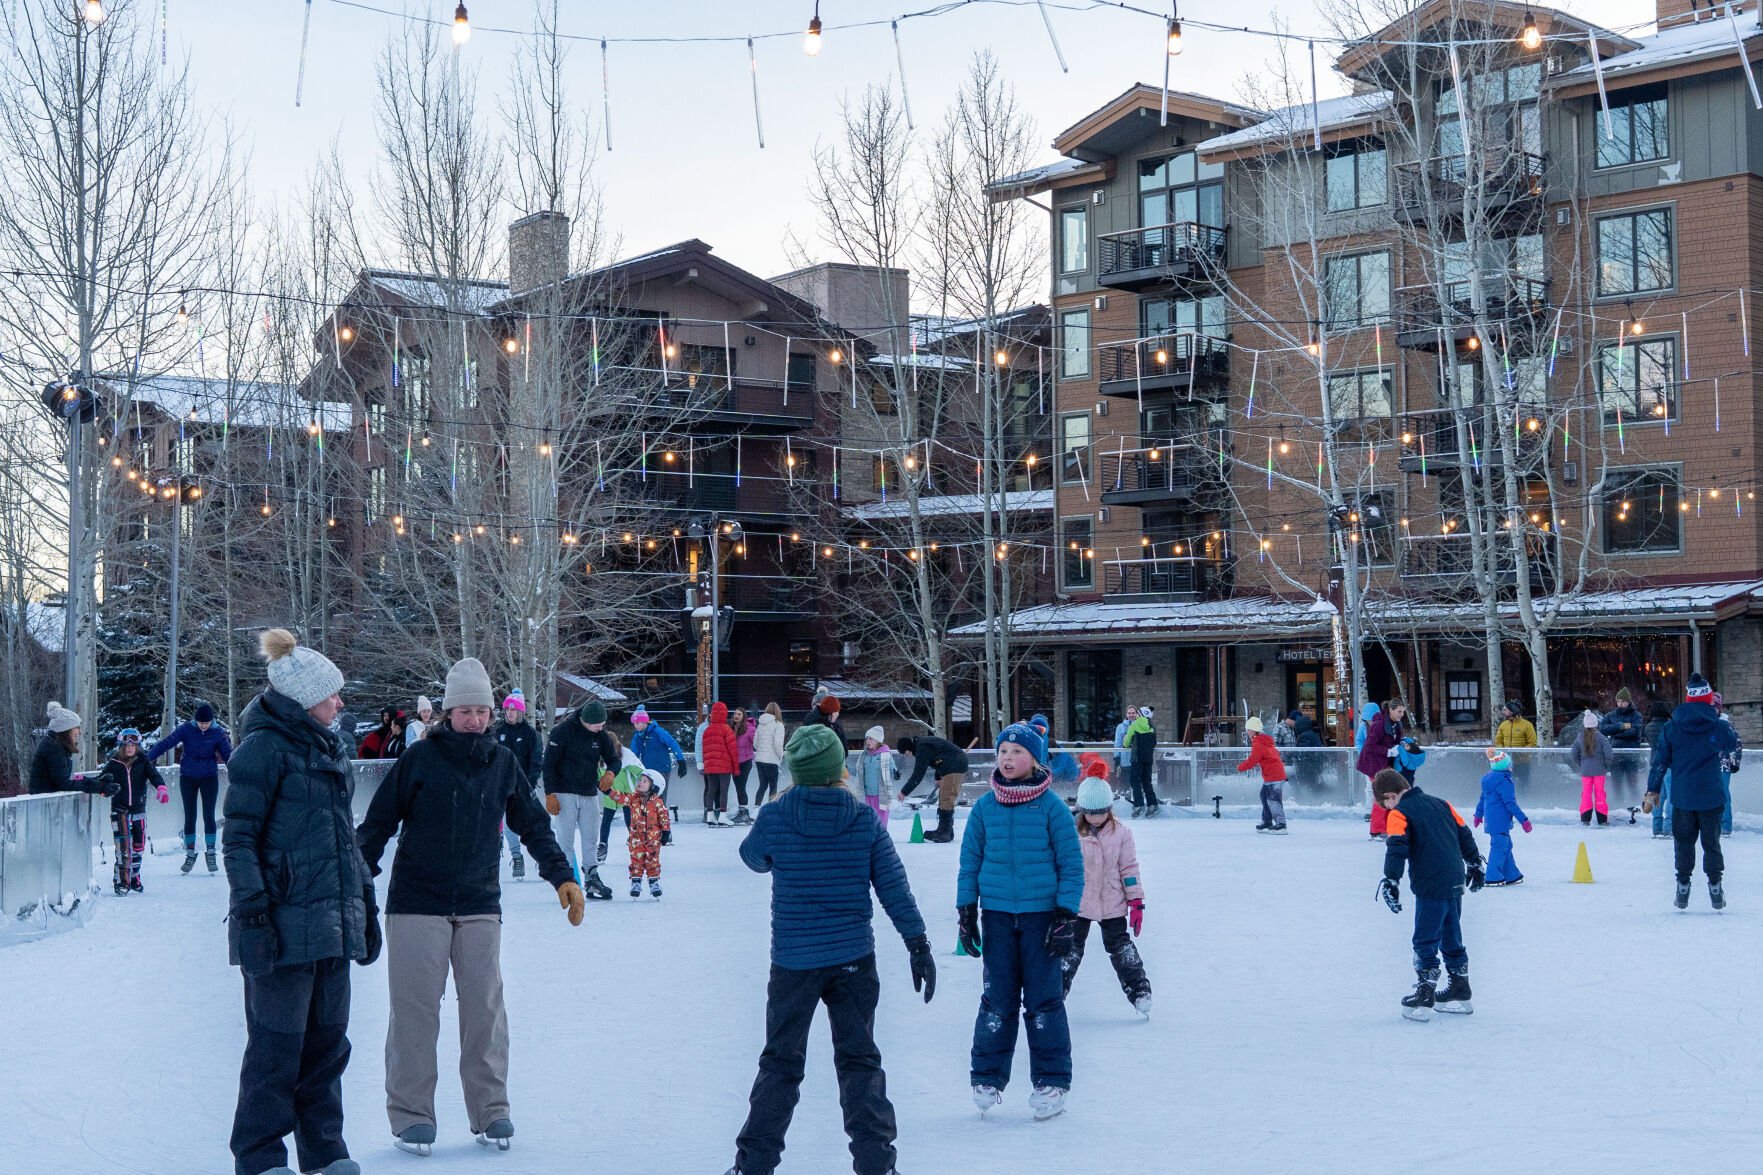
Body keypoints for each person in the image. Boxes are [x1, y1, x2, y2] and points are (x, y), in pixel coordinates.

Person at [357, 657, 585, 1157]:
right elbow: (376, 825)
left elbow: (533, 825)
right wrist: (354, 881)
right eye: (465, 711)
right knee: (415, 1012)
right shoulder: (418, 759)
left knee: (485, 1008)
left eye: (483, 711)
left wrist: (562, 877)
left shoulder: (502, 762)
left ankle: (491, 1111)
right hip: (418, 902)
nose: (476, 720)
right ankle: (412, 1116)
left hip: (480, 901)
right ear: (447, 712)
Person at [727, 723, 934, 1175]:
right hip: (852, 960)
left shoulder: (776, 815)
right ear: (839, 768)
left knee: (781, 1064)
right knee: (860, 1064)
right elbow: (894, 887)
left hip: (794, 962)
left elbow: (752, 858)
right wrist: (917, 942)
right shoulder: (861, 818)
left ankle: (754, 1166)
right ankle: (877, 1165)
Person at [223, 629, 373, 1175]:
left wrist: (365, 907)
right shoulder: (260, 751)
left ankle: (324, 1150)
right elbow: (238, 841)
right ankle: (261, 1158)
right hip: (282, 927)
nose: (340, 703)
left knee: (328, 1047)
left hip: (332, 925)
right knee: (275, 1051)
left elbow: (342, 838)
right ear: (303, 699)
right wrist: (254, 915)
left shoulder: (330, 748)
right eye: (332, 694)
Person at [957, 722, 1084, 1121]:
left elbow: (1072, 865)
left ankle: (1052, 1081)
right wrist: (966, 911)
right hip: (996, 916)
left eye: (1017, 752)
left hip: (1042, 918)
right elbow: (969, 863)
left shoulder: (1051, 808)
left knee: (1045, 1001)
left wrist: (1065, 914)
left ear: (1035, 758)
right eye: (1003, 751)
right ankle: (988, 1077)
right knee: (997, 999)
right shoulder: (984, 808)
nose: (1007, 759)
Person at [1372, 768, 1485, 1022]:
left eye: (1386, 803)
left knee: (1425, 937)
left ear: (1390, 796)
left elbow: (1397, 848)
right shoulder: (1442, 804)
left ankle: (1425, 992)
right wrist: (1475, 863)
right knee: (1450, 932)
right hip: (1455, 879)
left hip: (1430, 884)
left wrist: (1391, 879)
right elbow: (1464, 833)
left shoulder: (1399, 813)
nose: (1388, 808)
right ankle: (1459, 986)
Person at [1645, 673, 1739, 910]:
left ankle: (1683, 886)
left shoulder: (1671, 727)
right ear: (1708, 699)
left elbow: (1660, 761)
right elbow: (1732, 745)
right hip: (1711, 795)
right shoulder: (1718, 726)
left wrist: (1652, 790)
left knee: (1683, 843)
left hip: (1683, 797)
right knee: (1712, 844)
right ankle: (1715, 887)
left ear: (1688, 699)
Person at [1065, 774, 1150, 1017]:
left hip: (1112, 902)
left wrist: (1135, 901)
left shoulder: (1121, 833)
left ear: (1109, 809)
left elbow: (1129, 869)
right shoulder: (1071, 833)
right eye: (1090, 812)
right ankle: (1054, 993)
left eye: (1101, 811)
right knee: (1069, 949)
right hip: (1078, 903)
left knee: (1121, 948)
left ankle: (1139, 991)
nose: (1095, 817)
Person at [541, 700, 619, 900]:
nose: (600, 728)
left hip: (589, 792)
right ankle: (566, 882)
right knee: (565, 840)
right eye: (597, 724)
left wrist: (610, 772)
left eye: (602, 724)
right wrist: (550, 794)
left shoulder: (600, 736)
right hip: (564, 793)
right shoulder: (562, 732)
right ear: (586, 720)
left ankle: (592, 878)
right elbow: (548, 764)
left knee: (591, 838)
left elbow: (614, 758)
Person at [147, 702, 233, 875]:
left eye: (206, 723)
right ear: (196, 721)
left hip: (209, 777)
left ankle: (210, 853)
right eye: (201, 723)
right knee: (190, 815)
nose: (203, 726)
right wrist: (147, 758)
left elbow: (228, 754)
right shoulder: (186, 729)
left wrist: (238, 770)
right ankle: (190, 853)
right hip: (188, 777)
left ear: (211, 721)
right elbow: (166, 743)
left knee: (209, 815)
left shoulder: (218, 733)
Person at [99, 728, 169, 895]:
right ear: (121, 746)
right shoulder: (114, 764)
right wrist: (102, 788)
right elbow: (101, 781)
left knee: (138, 847)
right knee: (123, 848)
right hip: (119, 810)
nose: (130, 748)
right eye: (126, 745)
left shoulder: (143, 761)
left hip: (138, 810)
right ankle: (121, 882)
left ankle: (134, 877)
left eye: (133, 745)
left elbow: (154, 776)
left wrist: (161, 788)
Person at [491, 690, 543, 880]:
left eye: (513, 710)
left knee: (533, 820)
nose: (510, 713)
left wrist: (530, 782)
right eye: (507, 710)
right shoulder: (498, 731)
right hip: (503, 784)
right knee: (509, 821)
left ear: (520, 712)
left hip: (525, 784)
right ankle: (516, 856)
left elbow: (536, 760)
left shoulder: (530, 734)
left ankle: (541, 855)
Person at [604, 768, 670, 899]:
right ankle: (636, 883)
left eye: (644, 781)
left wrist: (666, 831)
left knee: (653, 860)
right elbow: (620, 798)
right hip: (636, 838)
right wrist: (608, 791)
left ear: (654, 786)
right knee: (636, 861)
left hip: (653, 840)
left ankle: (654, 882)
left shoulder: (657, 802)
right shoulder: (633, 798)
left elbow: (664, 817)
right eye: (640, 780)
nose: (640, 782)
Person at [894, 732, 970, 844]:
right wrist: (938, 777)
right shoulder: (921, 744)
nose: (907, 756)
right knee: (944, 796)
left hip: (955, 765)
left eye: (905, 753)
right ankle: (945, 830)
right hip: (950, 764)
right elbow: (938, 758)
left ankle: (944, 832)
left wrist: (904, 792)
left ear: (908, 749)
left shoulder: (921, 747)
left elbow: (918, 773)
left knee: (946, 798)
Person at [1472, 747, 1531, 887]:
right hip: (1500, 821)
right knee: (1499, 847)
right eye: (1510, 764)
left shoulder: (1489, 780)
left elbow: (1483, 799)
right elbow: (1510, 803)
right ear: (1505, 766)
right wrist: (1524, 820)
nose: (1512, 767)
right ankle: (1492, 877)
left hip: (1494, 821)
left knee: (1506, 845)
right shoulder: (1504, 781)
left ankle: (1511, 875)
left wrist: (1478, 814)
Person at [28, 701, 107, 796]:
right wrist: (99, 787)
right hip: (44, 806)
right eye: (77, 727)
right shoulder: (54, 747)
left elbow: (70, 778)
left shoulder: (56, 745)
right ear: (66, 729)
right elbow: (64, 784)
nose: (79, 732)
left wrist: (96, 781)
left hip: (48, 805)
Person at [1356, 701, 1406, 839]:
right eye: (1399, 711)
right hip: (1374, 765)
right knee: (1382, 796)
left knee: (1391, 795)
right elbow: (1369, 746)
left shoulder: (1396, 724)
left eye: (1403, 712)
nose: (1401, 715)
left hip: (1386, 765)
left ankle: (1388, 827)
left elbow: (1395, 741)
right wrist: (1388, 752)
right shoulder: (1379, 725)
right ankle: (1377, 830)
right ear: (1390, 710)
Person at [596, 735, 643, 865]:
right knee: (606, 822)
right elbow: (596, 777)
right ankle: (602, 847)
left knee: (630, 822)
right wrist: (606, 790)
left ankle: (637, 848)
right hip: (610, 794)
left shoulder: (626, 755)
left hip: (628, 793)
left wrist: (643, 788)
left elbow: (641, 772)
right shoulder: (599, 758)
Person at [1237, 715, 1287, 834]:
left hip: (1274, 776)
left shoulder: (1259, 744)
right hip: (1273, 774)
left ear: (1254, 730)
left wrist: (1240, 767)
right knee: (1264, 796)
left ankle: (1281, 824)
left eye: (1248, 729)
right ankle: (1267, 821)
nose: (1247, 732)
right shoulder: (1264, 741)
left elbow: (1253, 760)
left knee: (1273, 799)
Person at [1570, 709, 1614, 827]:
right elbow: (1608, 753)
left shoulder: (1580, 737)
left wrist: (1581, 764)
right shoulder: (1601, 737)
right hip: (1600, 771)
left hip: (1585, 771)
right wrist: (1606, 765)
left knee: (1586, 794)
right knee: (1600, 794)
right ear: (1596, 724)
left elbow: (1574, 753)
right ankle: (1602, 819)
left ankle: (1585, 818)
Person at [700, 701, 740, 826]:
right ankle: (723, 816)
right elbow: (733, 750)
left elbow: (704, 750)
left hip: (710, 766)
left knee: (711, 790)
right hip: (724, 766)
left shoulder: (707, 730)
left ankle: (710, 816)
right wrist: (736, 768)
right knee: (723, 790)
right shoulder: (727, 730)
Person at [629, 704, 686, 782]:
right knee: (648, 794)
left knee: (660, 793)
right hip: (647, 771)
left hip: (662, 769)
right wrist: (631, 768)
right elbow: (633, 755)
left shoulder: (657, 731)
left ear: (645, 721)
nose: (636, 725)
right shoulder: (637, 737)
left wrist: (680, 760)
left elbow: (672, 743)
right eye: (634, 723)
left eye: (638, 723)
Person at [1713, 693, 1743, 836]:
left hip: (1724, 765)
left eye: (1715, 707)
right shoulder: (1706, 724)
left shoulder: (1726, 724)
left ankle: (1725, 825)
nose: (1713, 709)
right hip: (1708, 766)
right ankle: (1713, 824)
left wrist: (1735, 762)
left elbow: (1736, 744)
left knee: (1723, 794)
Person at [1644, 700, 1674, 837]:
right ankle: (1668, 827)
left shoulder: (1648, 727)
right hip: (1669, 764)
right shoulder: (1669, 726)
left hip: (1655, 763)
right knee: (1672, 797)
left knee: (1657, 795)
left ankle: (1656, 827)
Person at [856, 726, 895, 827]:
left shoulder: (886, 754)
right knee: (867, 819)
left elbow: (892, 768)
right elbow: (858, 772)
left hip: (880, 794)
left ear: (878, 741)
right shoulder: (864, 755)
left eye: (870, 739)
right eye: (866, 738)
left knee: (880, 819)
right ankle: (869, 839)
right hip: (866, 794)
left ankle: (881, 839)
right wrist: (846, 768)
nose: (867, 741)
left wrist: (896, 772)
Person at [752, 702, 786, 805]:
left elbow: (755, 743)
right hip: (771, 759)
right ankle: (771, 808)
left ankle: (756, 808)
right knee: (773, 786)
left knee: (762, 785)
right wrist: (780, 756)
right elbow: (777, 744)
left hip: (760, 759)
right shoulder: (778, 725)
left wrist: (761, 751)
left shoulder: (760, 724)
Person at [1128, 706, 1158, 818]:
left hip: (1137, 758)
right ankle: (1153, 804)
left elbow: (1127, 740)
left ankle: (1139, 804)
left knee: (1135, 781)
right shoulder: (1151, 726)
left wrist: (1127, 744)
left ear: (1140, 714)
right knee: (1146, 781)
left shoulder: (1135, 724)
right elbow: (1154, 743)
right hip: (1148, 758)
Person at [730, 706, 757, 825]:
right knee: (738, 787)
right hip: (734, 762)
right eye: (735, 714)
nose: (736, 716)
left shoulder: (749, 728)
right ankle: (742, 811)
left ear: (743, 716)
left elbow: (755, 742)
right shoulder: (731, 728)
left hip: (745, 761)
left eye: (739, 714)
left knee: (741, 786)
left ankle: (744, 812)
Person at [1113, 706, 1138, 776]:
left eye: (1133, 713)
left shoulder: (1140, 726)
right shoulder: (1120, 727)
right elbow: (1118, 743)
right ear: (1126, 714)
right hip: (1124, 762)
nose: (1131, 715)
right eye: (1129, 713)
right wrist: (1117, 758)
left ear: (1136, 714)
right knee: (1124, 785)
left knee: (1136, 785)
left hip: (1137, 760)